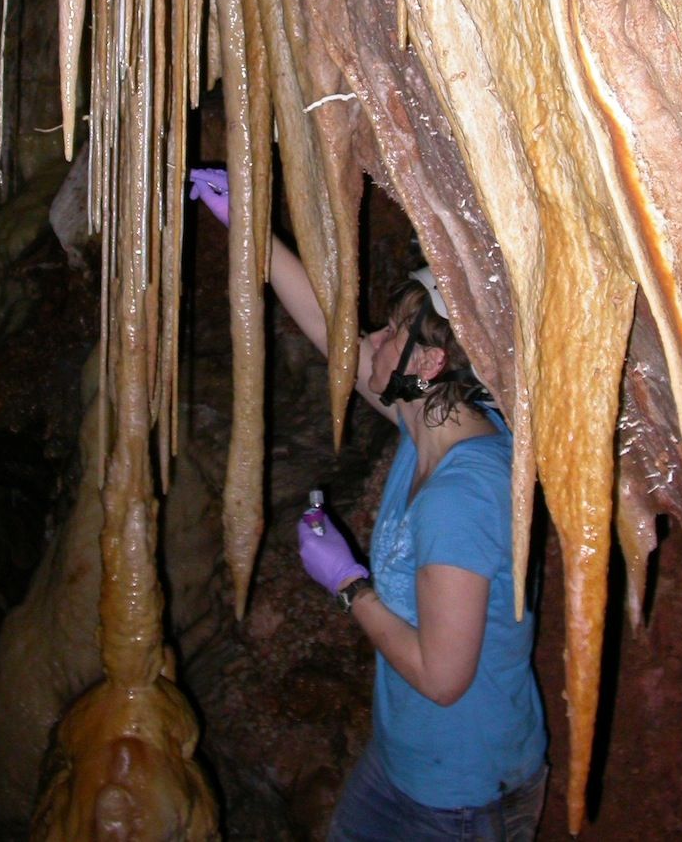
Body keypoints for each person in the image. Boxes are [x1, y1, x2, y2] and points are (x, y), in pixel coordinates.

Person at [189, 168, 548, 841]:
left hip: (464, 799)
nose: (375, 341)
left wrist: (346, 581)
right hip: (404, 763)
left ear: (432, 362)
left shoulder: (460, 499)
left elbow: (443, 677)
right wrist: (251, 229)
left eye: (393, 333)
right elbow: (340, 349)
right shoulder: (434, 424)